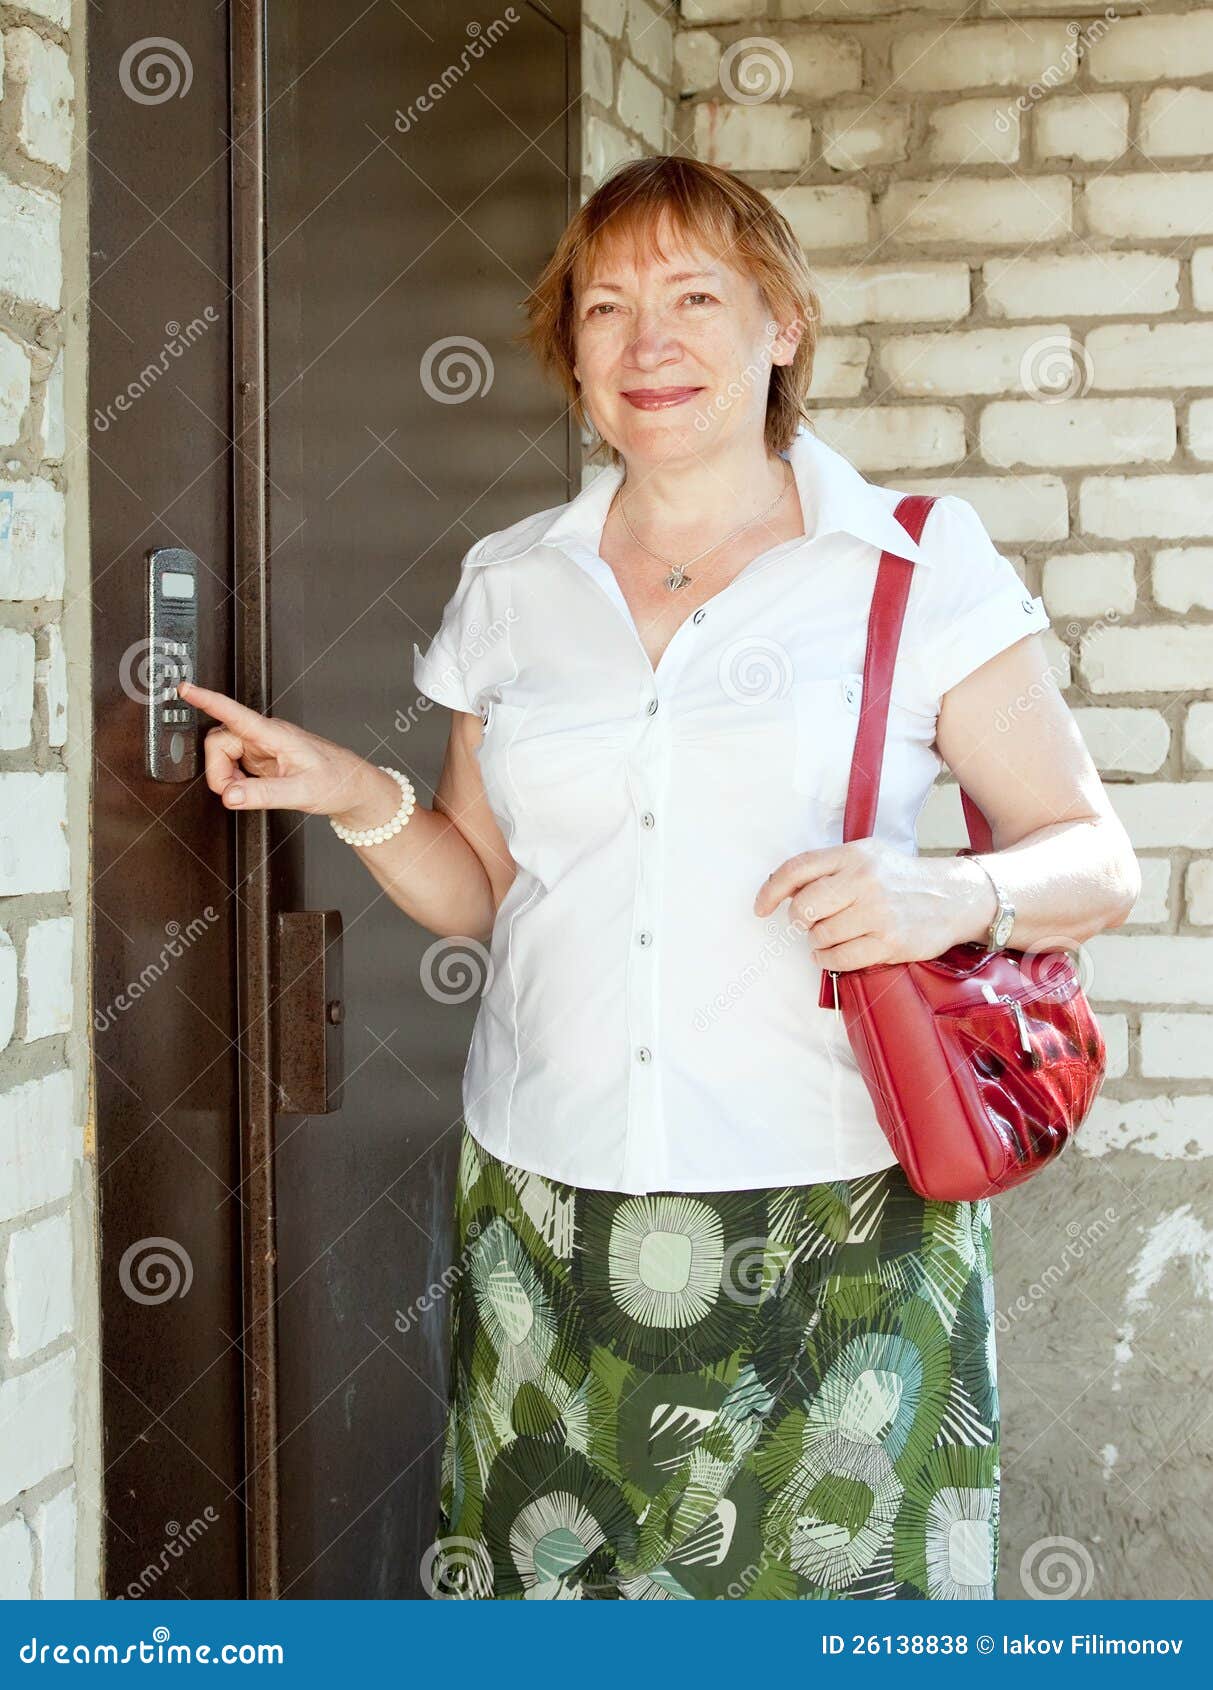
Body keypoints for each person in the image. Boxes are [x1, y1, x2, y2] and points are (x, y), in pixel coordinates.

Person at [180, 155, 1140, 1600]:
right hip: (547, 1213)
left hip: (835, 1215)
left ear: (782, 325)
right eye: (606, 307)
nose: (649, 341)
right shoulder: (513, 581)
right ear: (570, 355)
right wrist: (359, 796)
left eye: (695, 296)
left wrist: (950, 895)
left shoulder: (909, 563)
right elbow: (478, 887)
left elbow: (1094, 859)